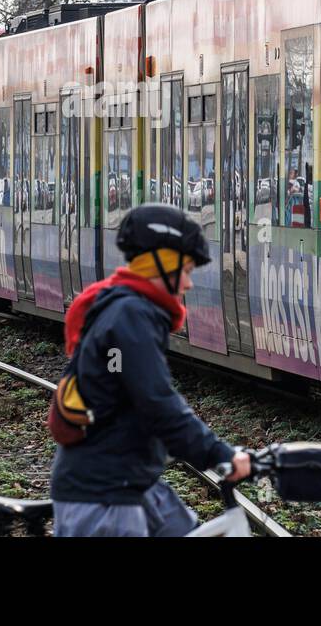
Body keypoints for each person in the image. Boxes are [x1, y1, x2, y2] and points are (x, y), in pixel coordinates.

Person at [49, 203, 249, 536]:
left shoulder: (128, 310)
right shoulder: (131, 317)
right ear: (160, 265)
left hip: (128, 480)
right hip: (105, 495)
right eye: (184, 271)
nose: (189, 284)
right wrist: (219, 453)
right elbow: (157, 402)